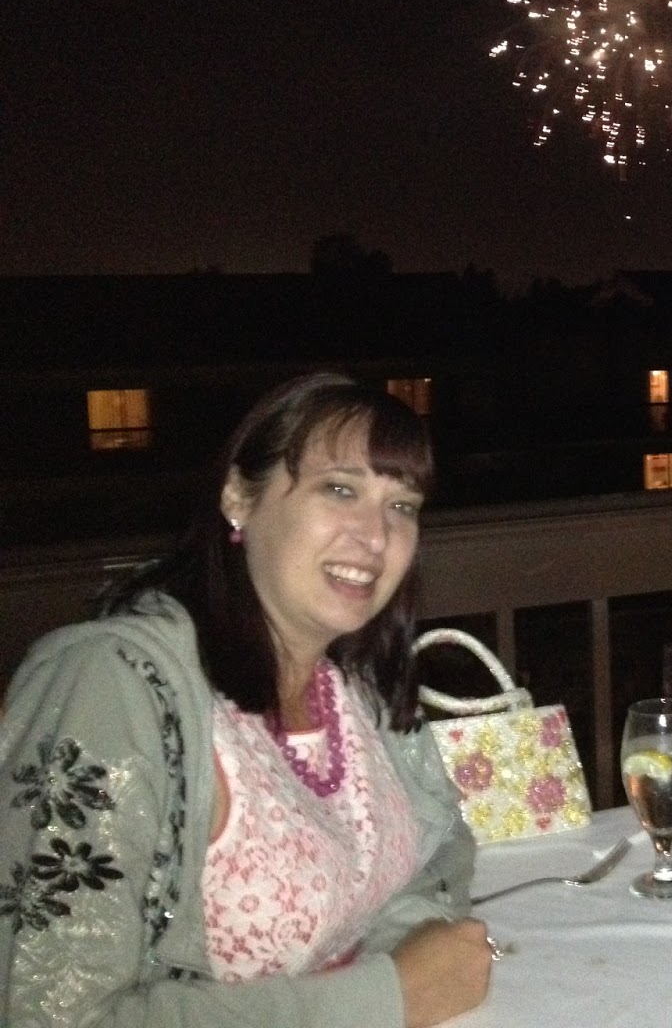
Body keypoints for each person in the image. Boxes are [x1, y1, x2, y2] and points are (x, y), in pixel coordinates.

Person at [1, 373, 494, 1026]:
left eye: (401, 505)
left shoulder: (358, 689)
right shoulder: (111, 688)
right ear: (239, 497)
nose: (376, 536)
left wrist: (402, 961)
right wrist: (383, 998)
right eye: (340, 489)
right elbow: (46, 1014)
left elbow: (429, 868)